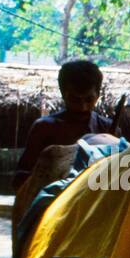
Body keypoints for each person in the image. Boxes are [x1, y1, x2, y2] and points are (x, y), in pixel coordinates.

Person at [13, 60, 114, 189]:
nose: (83, 107)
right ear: (62, 94)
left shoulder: (108, 130)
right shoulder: (44, 128)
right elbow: (20, 178)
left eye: (89, 99)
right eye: (75, 99)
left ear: (98, 95)